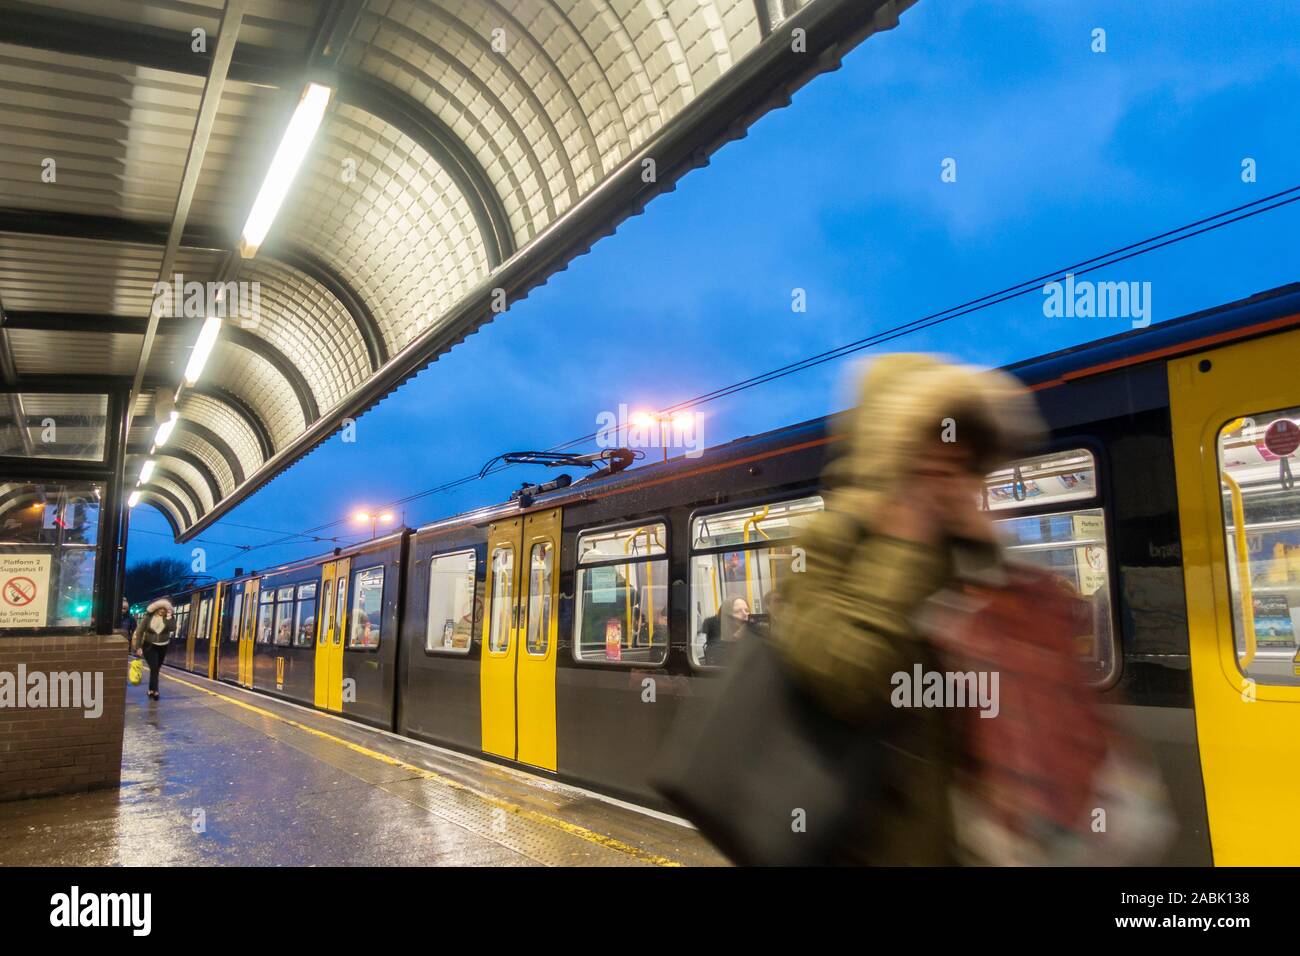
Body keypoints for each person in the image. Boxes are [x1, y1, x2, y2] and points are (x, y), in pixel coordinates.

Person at [772, 353, 1043, 864]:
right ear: (894, 452)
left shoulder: (966, 551)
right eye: (934, 448)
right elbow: (845, 678)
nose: (951, 469)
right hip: (873, 842)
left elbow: (1021, 686)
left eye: (963, 455)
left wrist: (993, 562)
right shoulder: (828, 543)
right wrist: (906, 542)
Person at [132, 597, 176, 701]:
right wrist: (138, 647)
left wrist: (170, 617)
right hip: (149, 646)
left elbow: (172, 628)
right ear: (156, 609)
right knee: (154, 667)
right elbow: (139, 632)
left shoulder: (169, 618)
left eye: (164, 609)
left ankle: (151, 689)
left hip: (163, 646)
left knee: (155, 669)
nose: (162, 611)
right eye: (160, 609)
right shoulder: (148, 617)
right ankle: (155, 691)